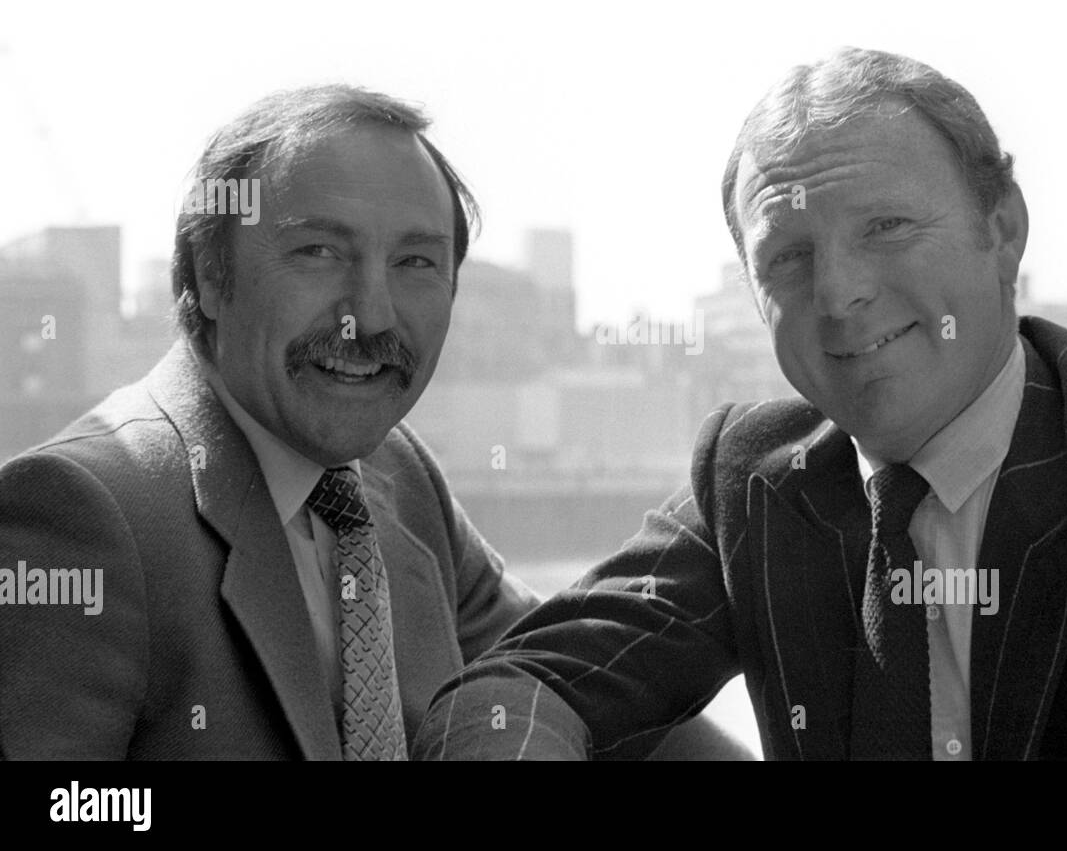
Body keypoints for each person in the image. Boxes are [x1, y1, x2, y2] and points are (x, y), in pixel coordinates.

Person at [416, 48, 1067, 761]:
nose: (838, 295)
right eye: (789, 258)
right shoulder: (754, 479)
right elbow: (525, 686)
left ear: (1005, 231)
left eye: (886, 228)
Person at [0, 85, 749, 760]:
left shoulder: (393, 475)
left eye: (416, 263)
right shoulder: (80, 512)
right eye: (319, 252)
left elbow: (573, 679)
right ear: (208, 275)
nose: (374, 315)